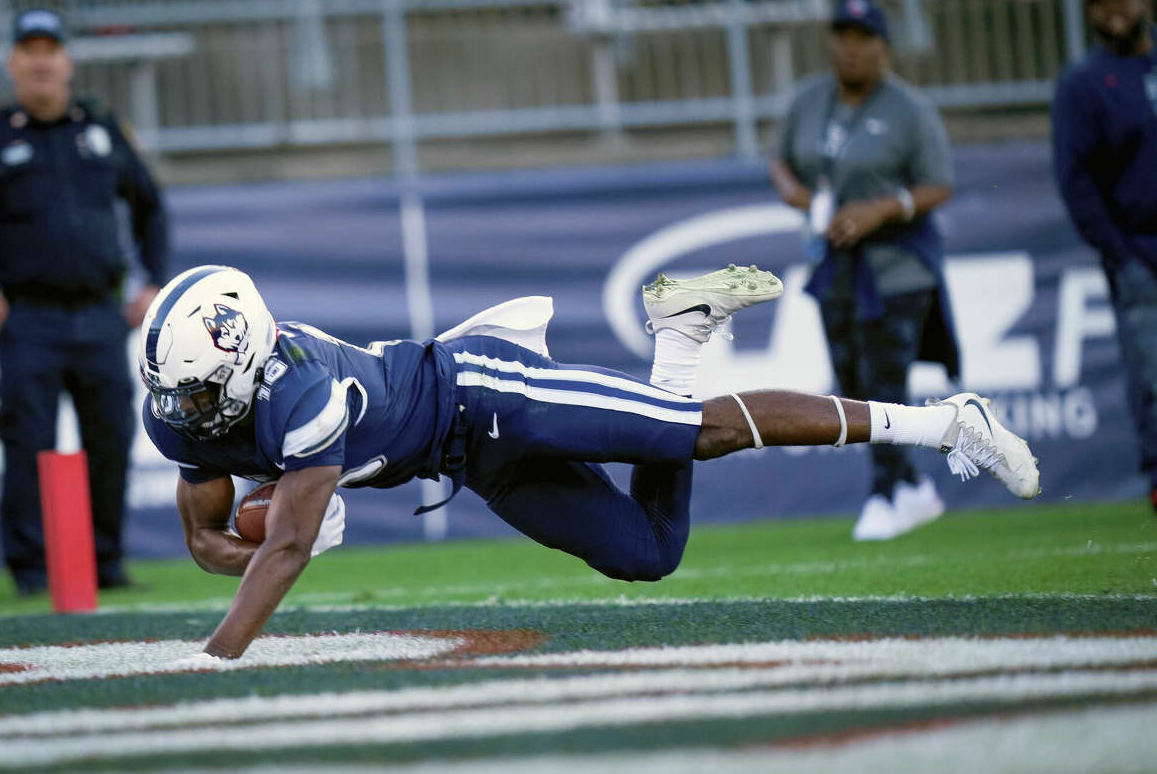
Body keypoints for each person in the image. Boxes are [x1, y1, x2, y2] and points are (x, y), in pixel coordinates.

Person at [139, 264, 1038, 661]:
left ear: (251, 354)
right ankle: (681, 339)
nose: (186, 411)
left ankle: (946, 423)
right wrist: (257, 544)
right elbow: (207, 540)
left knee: (701, 434)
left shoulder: (299, 393)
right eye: (177, 393)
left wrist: (217, 653)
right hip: (467, 457)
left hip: (486, 390)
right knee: (648, 552)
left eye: (201, 388)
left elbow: (284, 549)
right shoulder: (186, 411)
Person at [0, 9, 169, 594]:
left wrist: (152, 281)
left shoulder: (103, 129)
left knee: (110, 437)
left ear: (67, 61)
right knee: (28, 441)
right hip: (29, 319)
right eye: (30, 49)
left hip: (102, 315)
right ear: (14, 63)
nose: (42, 60)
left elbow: (150, 207)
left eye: (51, 48)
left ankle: (106, 561)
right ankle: (29, 569)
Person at [768, 0, 959, 542]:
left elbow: (939, 183)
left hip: (896, 266)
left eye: (862, 38)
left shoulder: (909, 109)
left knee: (884, 381)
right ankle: (912, 488)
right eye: (841, 36)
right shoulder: (809, 100)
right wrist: (801, 197)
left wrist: (883, 208)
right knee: (851, 384)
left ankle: (883, 494)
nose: (849, 49)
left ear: (884, 47)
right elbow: (779, 160)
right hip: (835, 265)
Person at [1053, 0, 1157, 512]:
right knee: (1153, 381)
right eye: (1098, 1)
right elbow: (1076, 184)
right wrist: (1123, 256)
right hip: (1139, 254)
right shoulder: (1083, 84)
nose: (1112, 9)